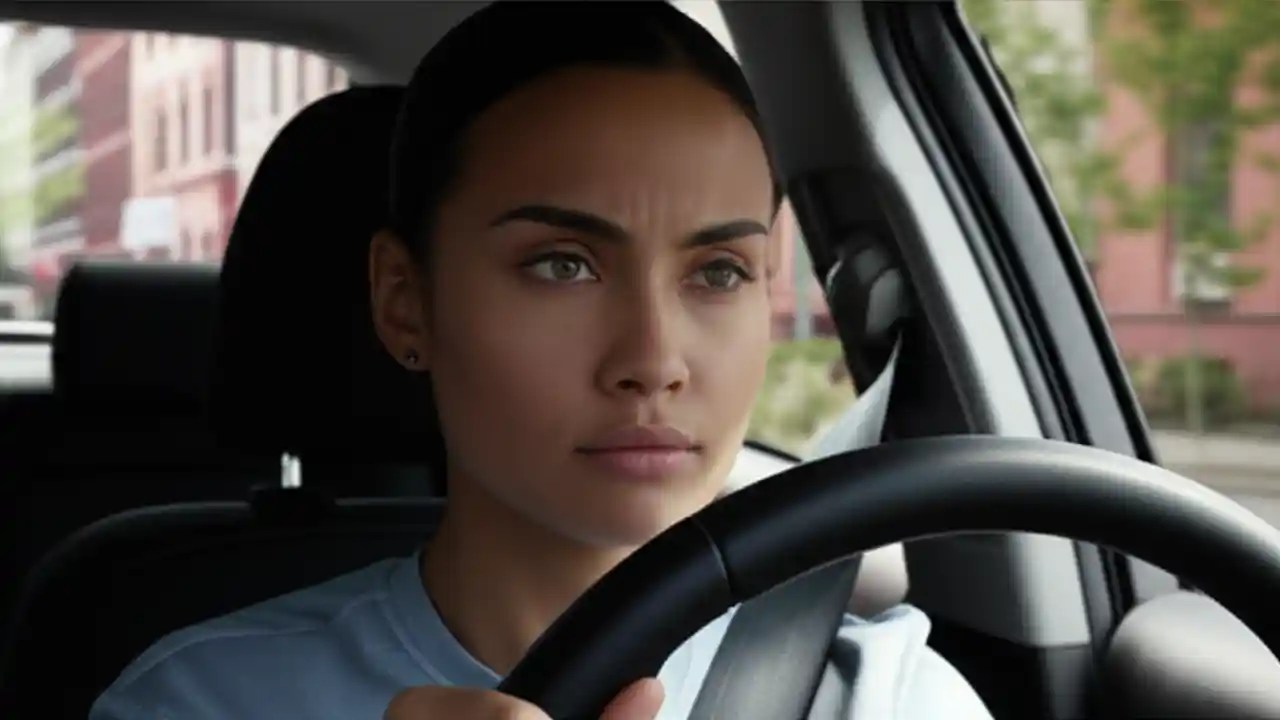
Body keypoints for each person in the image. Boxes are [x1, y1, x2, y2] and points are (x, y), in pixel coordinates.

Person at [90, 3, 992, 719]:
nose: (653, 360)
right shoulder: (199, 703)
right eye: (561, 264)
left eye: (718, 271)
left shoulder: (889, 699)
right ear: (405, 300)